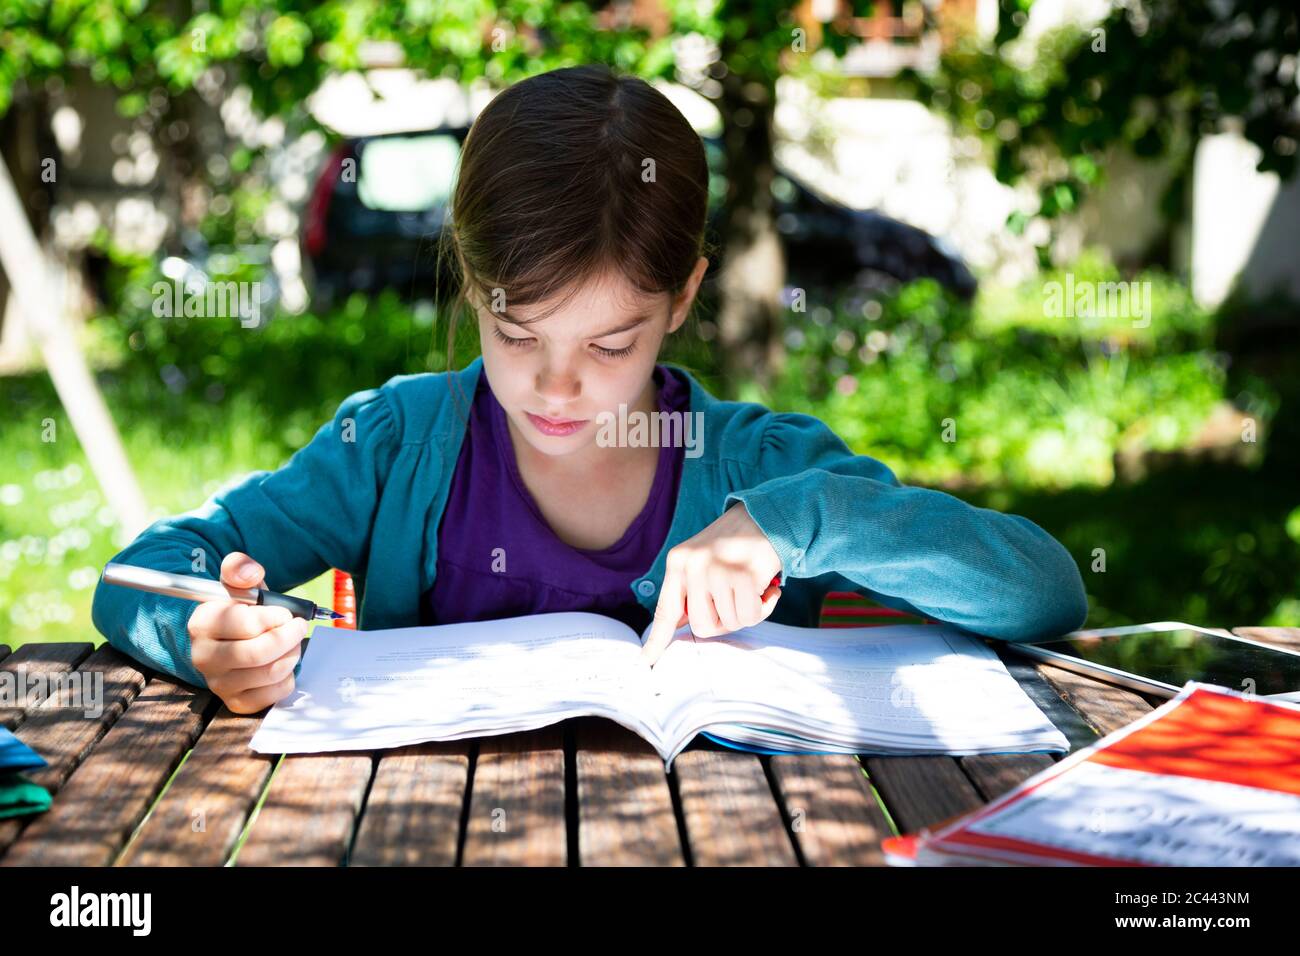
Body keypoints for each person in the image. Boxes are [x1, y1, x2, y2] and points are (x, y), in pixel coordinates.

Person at [92, 64, 1087, 715]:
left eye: (612, 343)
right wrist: (212, 634)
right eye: (513, 329)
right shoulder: (394, 445)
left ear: (683, 295)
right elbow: (140, 571)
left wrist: (797, 521)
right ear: (469, 281)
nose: (556, 383)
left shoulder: (756, 468)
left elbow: (1041, 589)